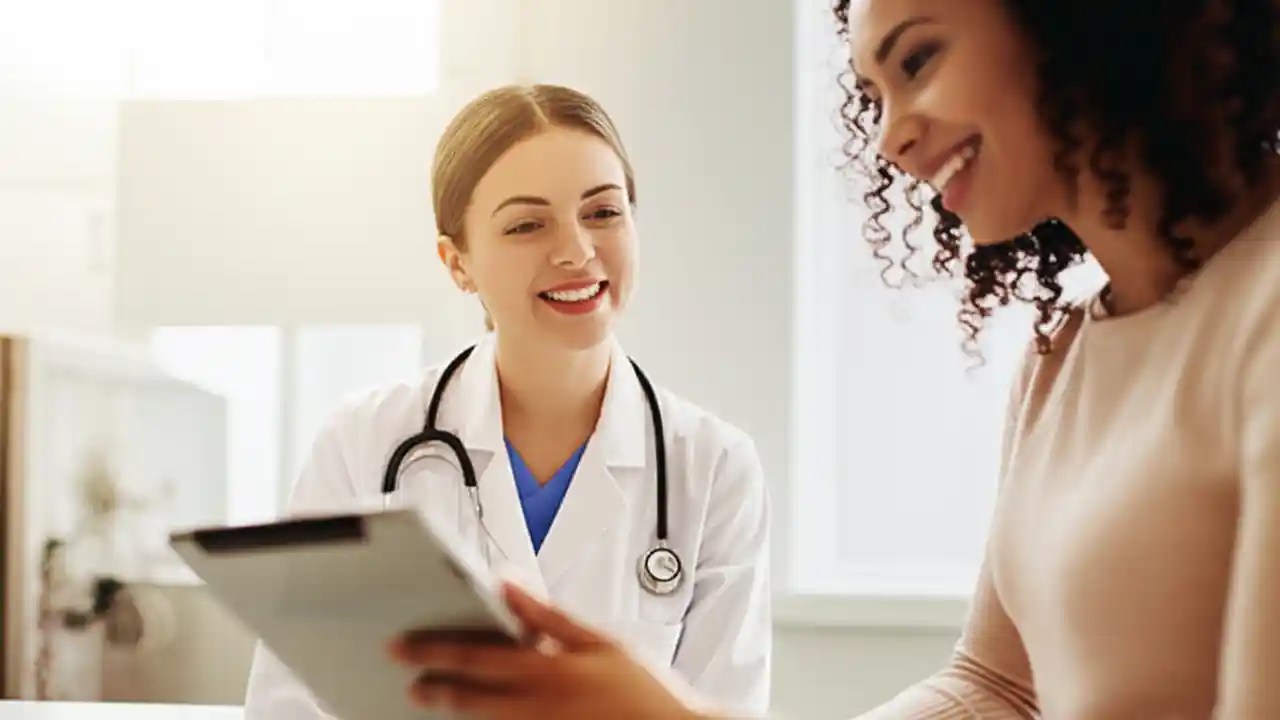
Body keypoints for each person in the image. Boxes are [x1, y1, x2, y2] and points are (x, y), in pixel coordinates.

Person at [389, 1, 1280, 718]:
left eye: (919, 59)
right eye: (875, 94)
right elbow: (998, 688)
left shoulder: (1264, 311)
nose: (891, 136)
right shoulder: (1063, 354)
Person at [241, 84, 773, 719]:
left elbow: (724, 713)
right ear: (457, 262)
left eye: (603, 212)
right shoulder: (363, 444)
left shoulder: (713, 468)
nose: (576, 250)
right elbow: (288, 706)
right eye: (527, 224)